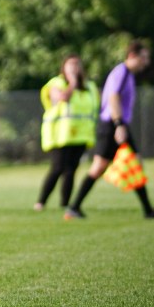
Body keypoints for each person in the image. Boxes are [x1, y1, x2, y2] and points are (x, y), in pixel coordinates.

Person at [65, 40, 154, 220]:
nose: (146, 62)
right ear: (132, 56)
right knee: (99, 167)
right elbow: (113, 98)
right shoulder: (121, 73)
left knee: (133, 162)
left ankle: (148, 210)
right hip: (112, 125)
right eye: (143, 57)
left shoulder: (128, 75)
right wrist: (118, 125)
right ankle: (73, 208)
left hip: (118, 124)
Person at [35, 54, 98, 212]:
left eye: (77, 64)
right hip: (60, 135)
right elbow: (63, 98)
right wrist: (73, 83)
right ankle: (41, 202)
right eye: (70, 65)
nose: (74, 68)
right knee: (57, 168)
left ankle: (65, 203)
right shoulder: (56, 83)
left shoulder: (90, 86)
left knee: (71, 170)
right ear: (64, 67)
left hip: (81, 135)